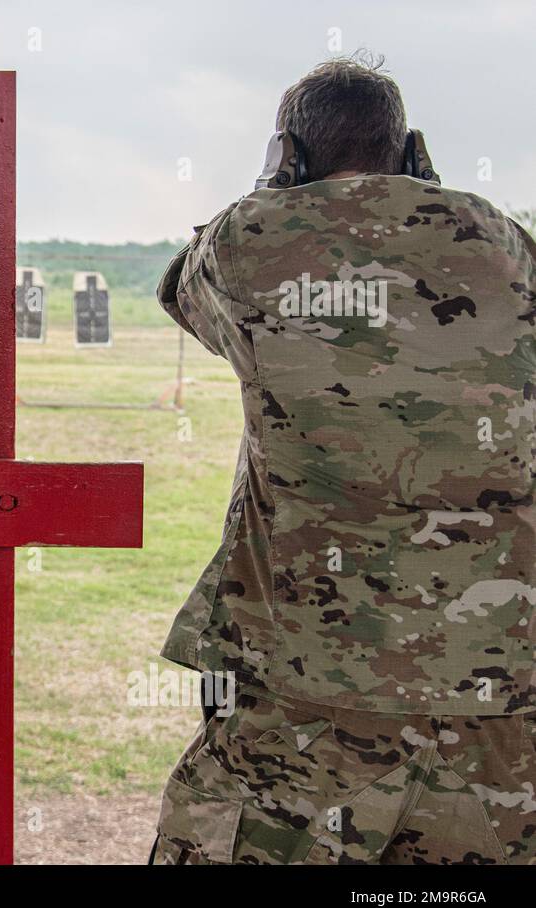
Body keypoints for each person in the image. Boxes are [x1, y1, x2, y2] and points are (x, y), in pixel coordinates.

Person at [152, 54, 536, 864]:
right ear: (413, 151)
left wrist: (271, 193)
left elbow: (180, 292)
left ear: (286, 154)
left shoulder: (250, 241)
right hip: (499, 714)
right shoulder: (507, 245)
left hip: (306, 710)